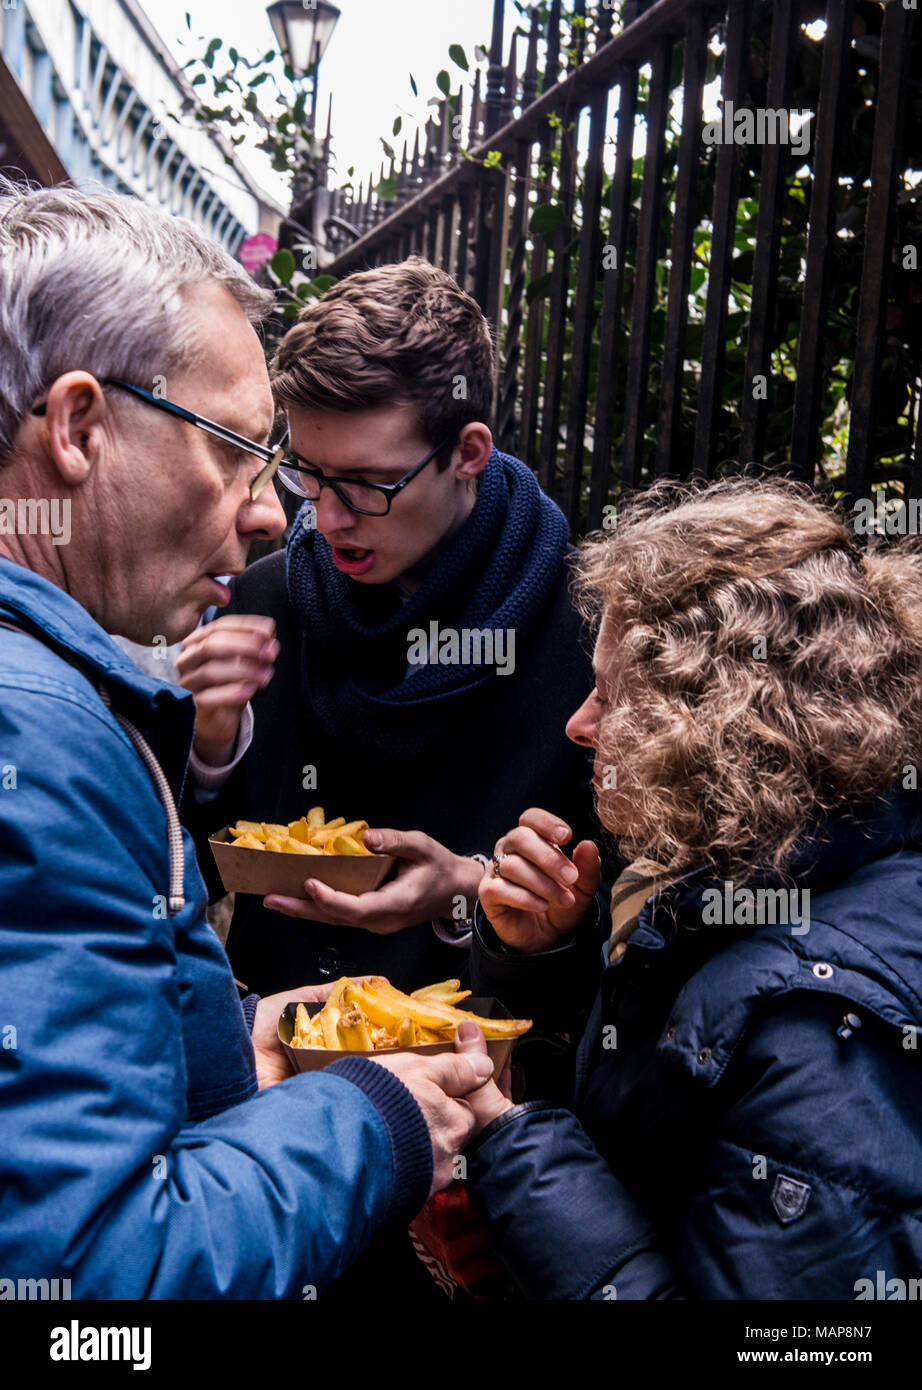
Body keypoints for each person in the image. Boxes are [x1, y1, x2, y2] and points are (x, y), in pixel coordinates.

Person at [0, 178, 496, 1299]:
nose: (278, 512)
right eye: (238, 449)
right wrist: (376, 1113)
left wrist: (228, 1030)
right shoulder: (37, 728)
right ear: (79, 427)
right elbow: (84, 1286)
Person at [457, 479, 922, 1299]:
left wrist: (514, 1149)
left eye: (614, 696)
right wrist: (547, 957)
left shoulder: (821, 1026)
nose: (579, 723)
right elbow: (658, 1130)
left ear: (721, 724)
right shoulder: (741, 870)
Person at [179, 257, 602, 1003]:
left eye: (368, 486)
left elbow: (627, 925)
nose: (325, 518)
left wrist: (470, 889)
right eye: (306, 473)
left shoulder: (587, 631)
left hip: (477, 1085)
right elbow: (190, 873)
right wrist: (209, 747)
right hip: (276, 1079)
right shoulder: (264, 594)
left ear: (468, 452)